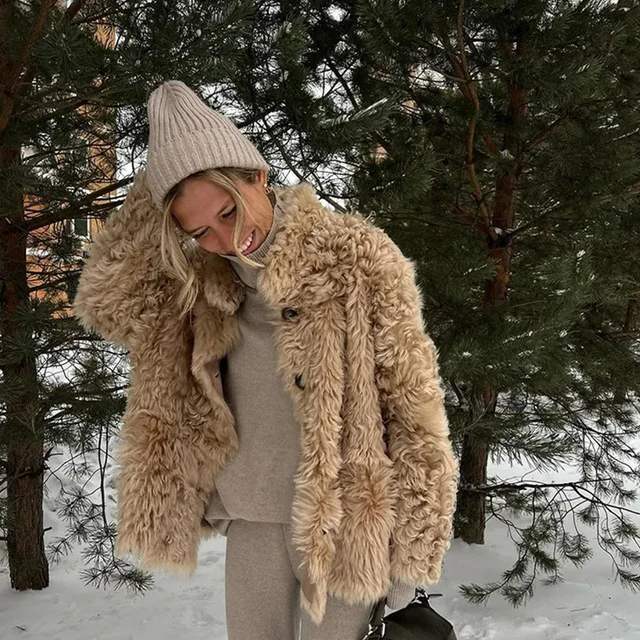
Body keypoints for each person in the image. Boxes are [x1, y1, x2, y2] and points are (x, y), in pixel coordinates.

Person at [74, 80, 458, 640]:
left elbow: (413, 404)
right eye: (199, 231)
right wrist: (158, 183)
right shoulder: (197, 286)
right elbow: (106, 304)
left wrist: (415, 549)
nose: (226, 238)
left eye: (228, 211)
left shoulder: (356, 258)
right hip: (252, 511)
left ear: (257, 175)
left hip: (348, 520)